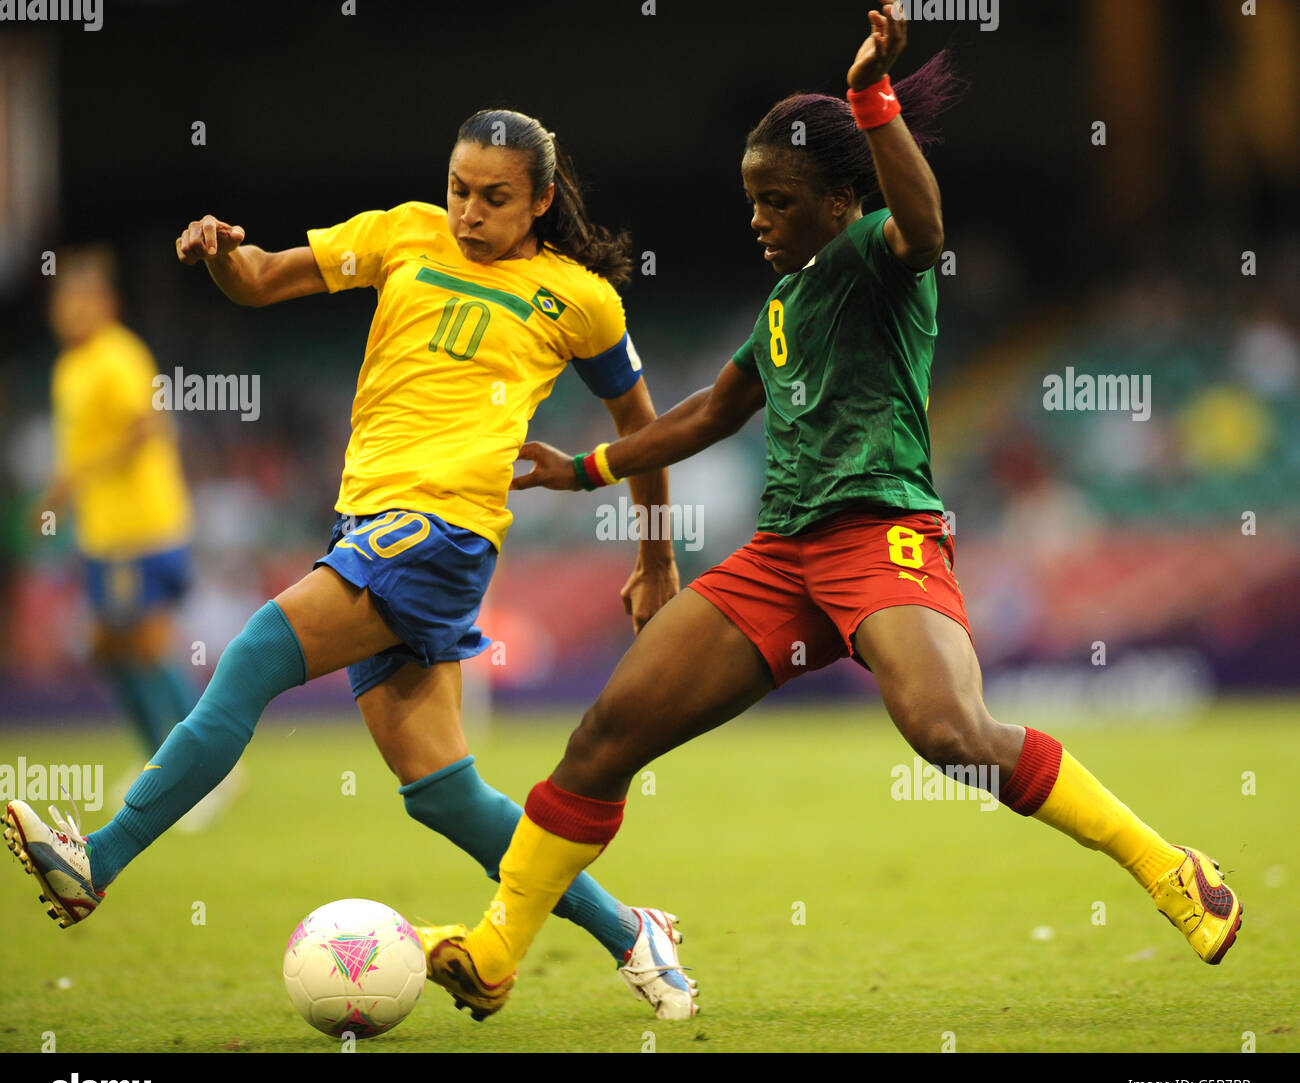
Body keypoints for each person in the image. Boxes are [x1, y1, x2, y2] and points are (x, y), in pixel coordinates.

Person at [416, 5, 1243, 1021]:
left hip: (877, 537)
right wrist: (582, 466)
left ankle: (1168, 868)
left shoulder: (876, 260)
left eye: (775, 201)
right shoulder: (783, 301)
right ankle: (497, 950)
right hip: (778, 557)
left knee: (947, 732)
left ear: (839, 200)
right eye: (750, 201)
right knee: (605, 735)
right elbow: (711, 412)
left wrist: (872, 100)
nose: (756, 220)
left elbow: (926, 225)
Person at [5, 109, 699, 1020]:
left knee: (253, 654)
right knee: (443, 794)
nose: (469, 211)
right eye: (459, 188)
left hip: (444, 531)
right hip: (368, 524)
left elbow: (642, 430)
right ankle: (632, 933)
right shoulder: (401, 233)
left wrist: (656, 555)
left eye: (495, 198)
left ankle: (97, 859)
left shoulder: (579, 299)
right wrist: (220, 253)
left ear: (537, 203)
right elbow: (258, 280)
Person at [41, 247, 199, 757]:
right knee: (109, 649)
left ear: (104, 303)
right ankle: (156, 758)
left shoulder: (118, 354)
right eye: (61, 301)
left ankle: (204, 763)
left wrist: (76, 479)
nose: (66, 312)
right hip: (102, 534)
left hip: (141, 528)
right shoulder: (70, 367)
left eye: (76, 300)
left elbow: (144, 427)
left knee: (147, 646)